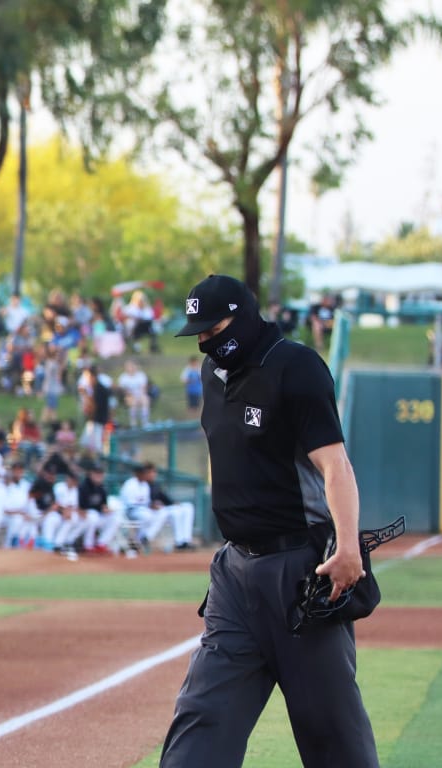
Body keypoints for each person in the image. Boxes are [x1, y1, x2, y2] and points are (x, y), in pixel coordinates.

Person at [161, 274, 375, 766]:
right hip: (234, 577)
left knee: (333, 734)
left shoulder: (295, 366)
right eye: (197, 332)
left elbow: (335, 466)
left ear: (242, 317)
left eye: (213, 329)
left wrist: (347, 548)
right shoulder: (212, 374)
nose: (204, 340)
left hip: (299, 573)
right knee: (202, 721)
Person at [117, 359, 151, 430]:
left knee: (145, 400)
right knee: (133, 401)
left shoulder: (141, 375)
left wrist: (140, 396)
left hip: (140, 395)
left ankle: (145, 422)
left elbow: (143, 388)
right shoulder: (123, 377)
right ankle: (133, 423)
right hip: (129, 396)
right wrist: (129, 395)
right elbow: (122, 390)